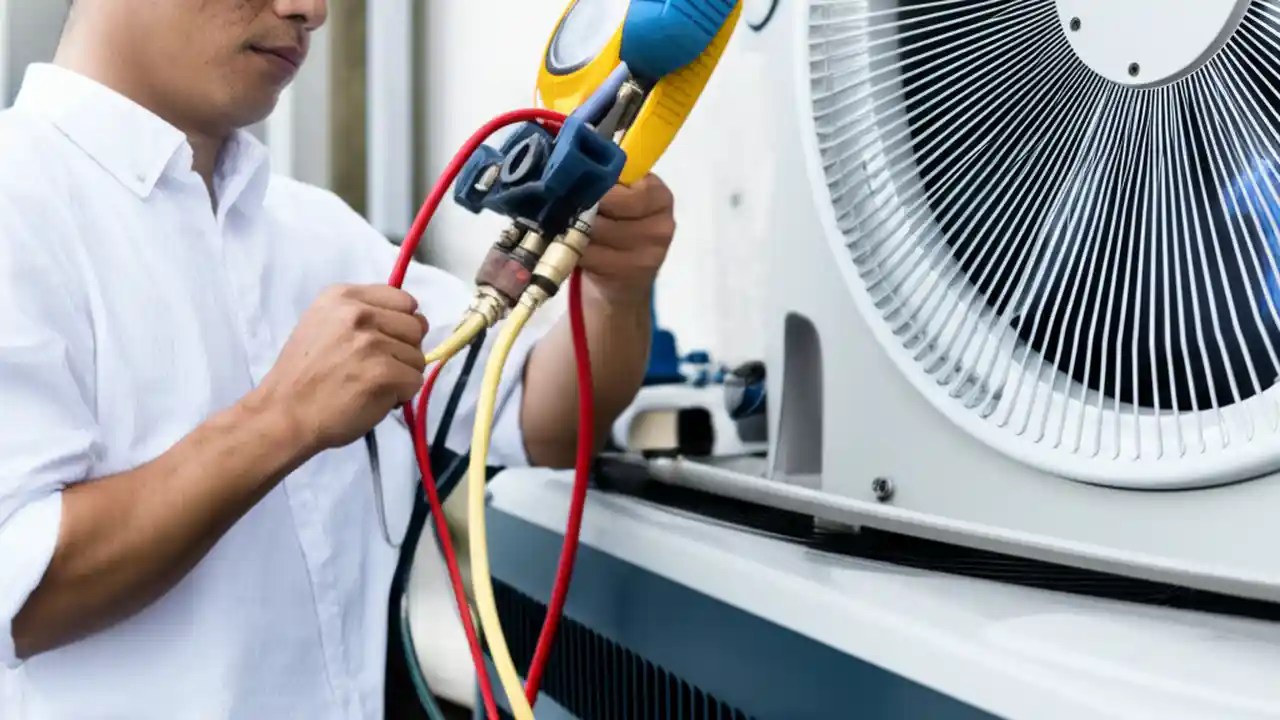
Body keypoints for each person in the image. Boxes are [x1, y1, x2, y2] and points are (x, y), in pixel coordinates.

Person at [0, 1, 676, 718]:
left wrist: (613, 293)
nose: (310, 10)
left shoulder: (313, 230)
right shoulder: (21, 204)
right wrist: (281, 420)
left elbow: (537, 415)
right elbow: (21, 595)